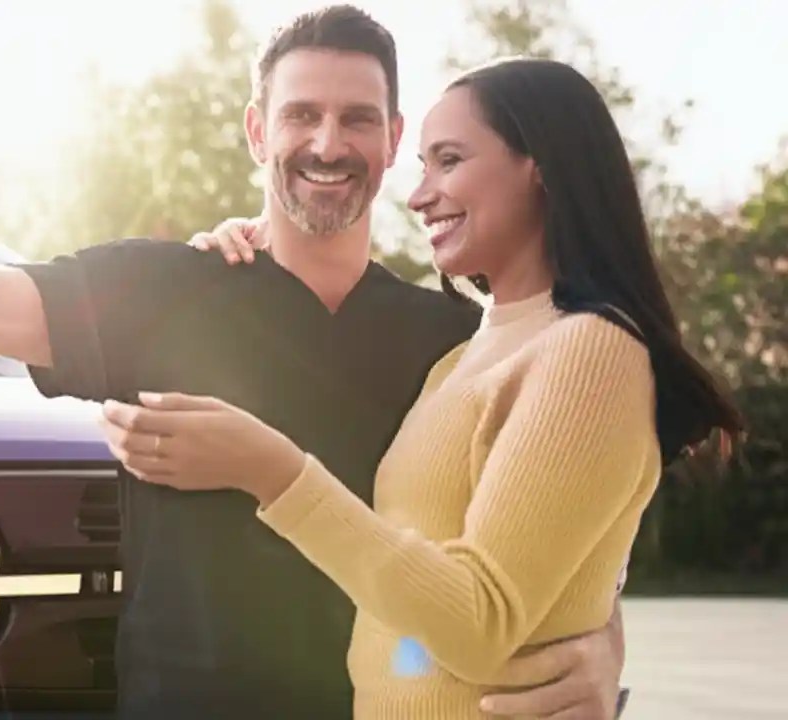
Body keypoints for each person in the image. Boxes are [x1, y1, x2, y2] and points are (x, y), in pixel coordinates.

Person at [0, 5, 630, 718]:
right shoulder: (156, 287)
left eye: (357, 119)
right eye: (302, 114)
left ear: (394, 140)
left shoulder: (456, 340)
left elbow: (560, 526)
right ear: (258, 131)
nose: (329, 144)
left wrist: (601, 645)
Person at [98, 55, 745, 718]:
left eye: (450, 161)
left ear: (540, 165)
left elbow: (480, 622)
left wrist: (272, 469)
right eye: (423, 166)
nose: (418, 195)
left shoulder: (589, 351)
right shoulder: (461, 355)